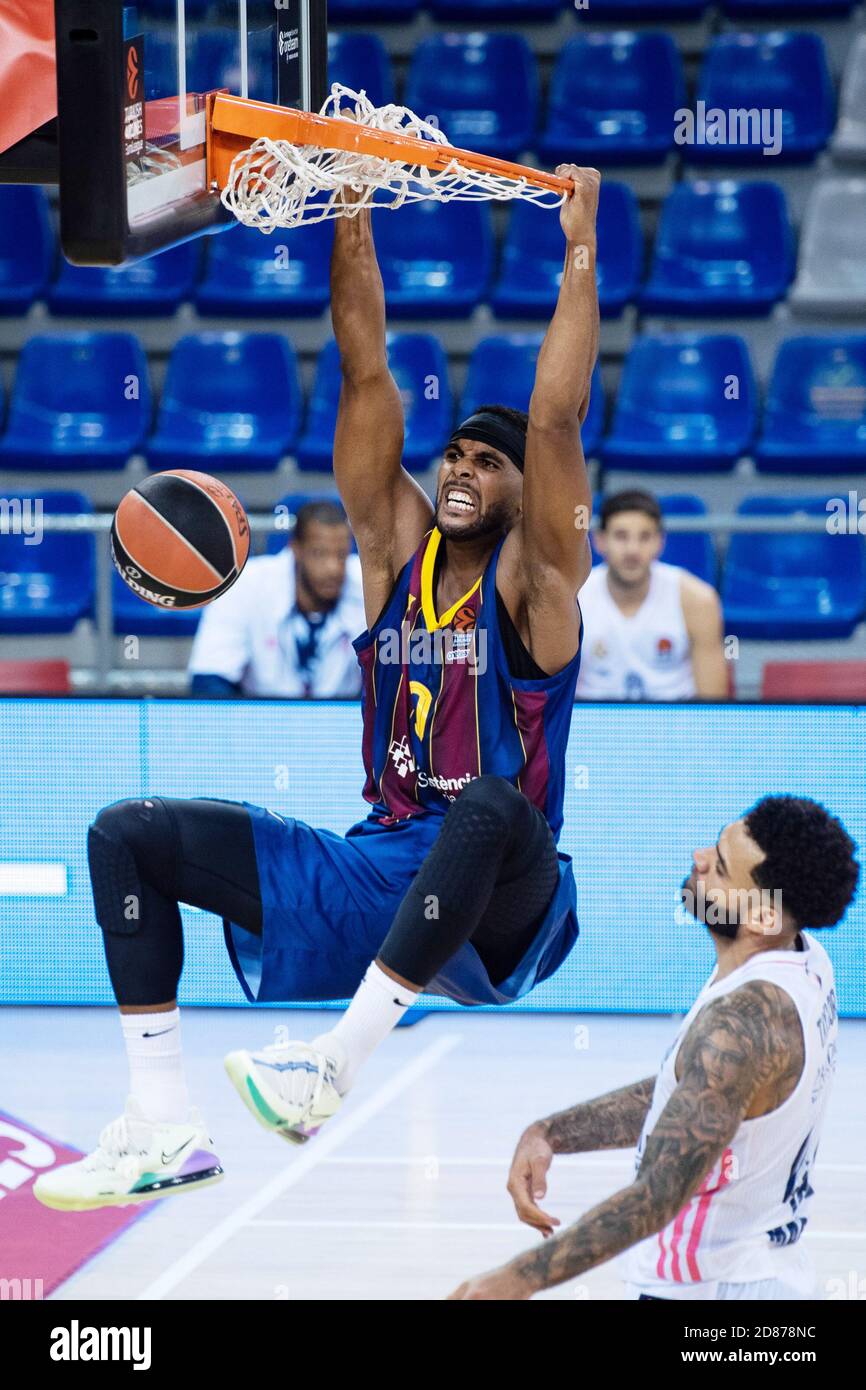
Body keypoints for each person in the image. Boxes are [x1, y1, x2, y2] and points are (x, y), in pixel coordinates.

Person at [34, 166, 600, 1211]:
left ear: (529, 494)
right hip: (379, 864)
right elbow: (363, 365)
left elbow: (557, 421)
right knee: (129, 833)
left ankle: (330, 1064)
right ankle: (161, 1122)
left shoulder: (538, 587)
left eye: (490, 459)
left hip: (508, 896)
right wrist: (347, 199)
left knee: (485, 804)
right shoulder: (393, 558)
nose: (463, 468)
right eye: (456, 453)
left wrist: (579, 244)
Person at [448, 796, 859, 1300]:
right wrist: (551, 1133)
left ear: (763, 919)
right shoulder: (802, 961)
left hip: (712, 1289)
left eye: (722, 870)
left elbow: (656, 1196)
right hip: (763, 1277)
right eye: (715, 845)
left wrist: (515, 1280)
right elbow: (691, 1093)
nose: (699, 858)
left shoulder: (740, 1025)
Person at [188, 499, 365, 699]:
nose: (333, 568)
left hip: (344, 723)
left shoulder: (368, 586)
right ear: (295, 549)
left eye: (341, 555)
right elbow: (209, 679)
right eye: (319, 553)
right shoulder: (246, 585)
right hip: (259, 723)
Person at [575, 490, 728, 701]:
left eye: (644, 537)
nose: (632, 549)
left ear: (660, 542)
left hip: (675, 729)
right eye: (621, 536)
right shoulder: (574, 598)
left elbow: (713, 703)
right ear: (599, 541)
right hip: (593, 727)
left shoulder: (698, 601)